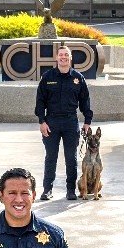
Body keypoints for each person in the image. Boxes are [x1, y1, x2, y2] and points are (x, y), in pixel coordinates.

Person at [34, 45, 93, 201]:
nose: (63, 58)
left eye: (66, 55)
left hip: (70, 121)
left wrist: (87, 122)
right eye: (61, 55)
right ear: (56, 57)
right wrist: (41, 121)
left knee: (71, 158)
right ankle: (47, 190)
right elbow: (40, 101)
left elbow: (85, 101)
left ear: (70, 58)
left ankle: (70, 190)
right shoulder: (48, 77)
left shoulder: (78, 78)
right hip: (51, 121)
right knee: (51, 157)